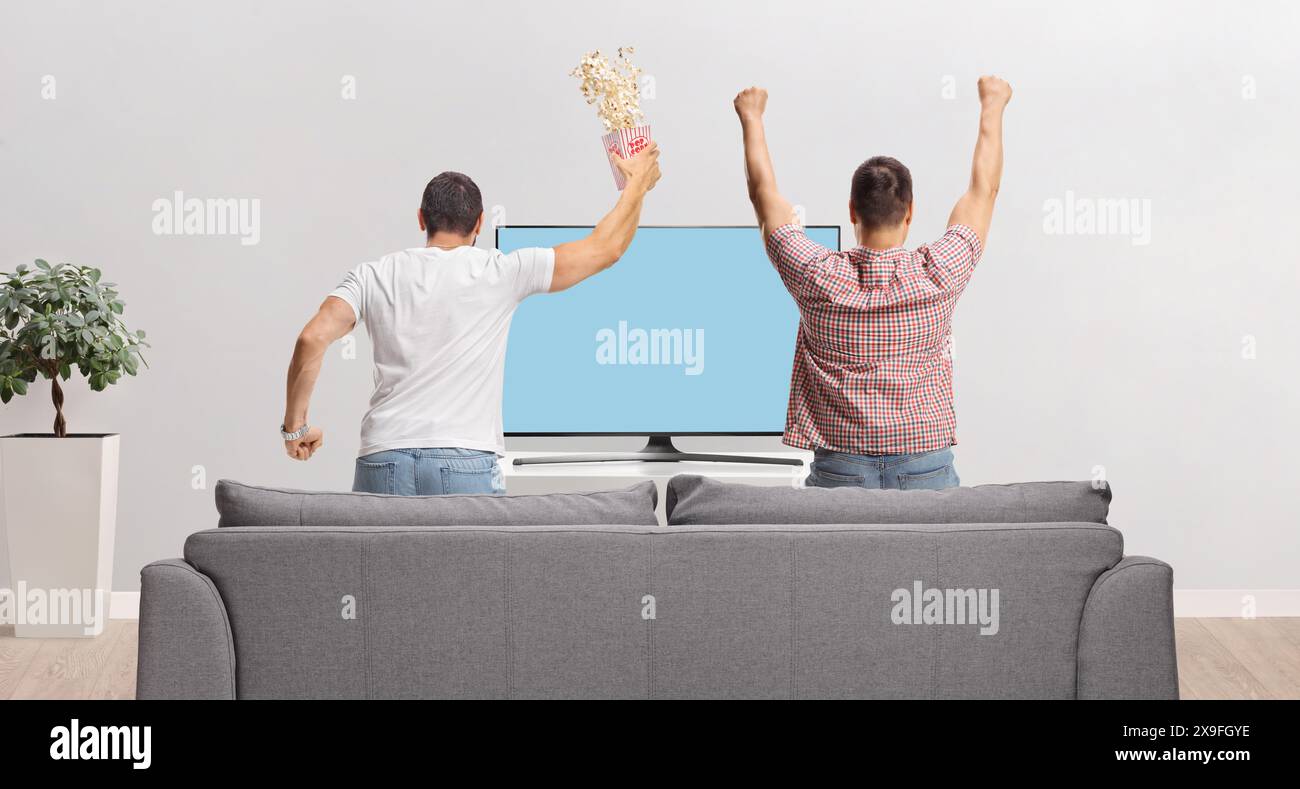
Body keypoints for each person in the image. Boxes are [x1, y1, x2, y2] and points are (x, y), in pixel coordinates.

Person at [280, 145, 662, 494]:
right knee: (474, 572)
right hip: (466, 461)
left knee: (378, 573)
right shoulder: (502, 271)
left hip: (385, 458)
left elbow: (311, 339)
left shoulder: (373, 275)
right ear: (479, 223)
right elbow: (606, 249)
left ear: (420, 219)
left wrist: (296, 428)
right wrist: (637, 185)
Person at [734, 76, 1011, 489]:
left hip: (840, 471)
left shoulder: (816, 274)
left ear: (851, 210)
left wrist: (751, 117)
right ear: (911, 211)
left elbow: (763, 196)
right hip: (926, 468)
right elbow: (984, 191)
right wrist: (992, 106)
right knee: (936, 557)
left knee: (836, 558)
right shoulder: (940, 271)